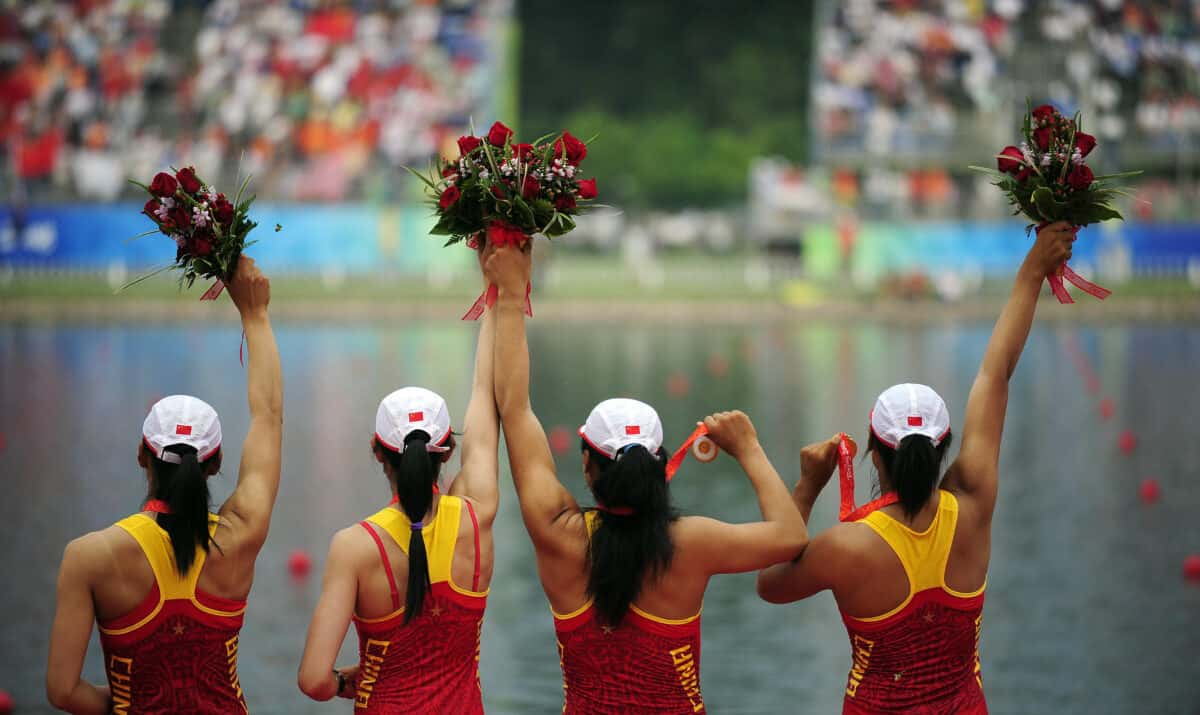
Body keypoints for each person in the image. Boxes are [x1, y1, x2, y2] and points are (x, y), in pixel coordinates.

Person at [756, 222, 1079, 714]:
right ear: (945, 445)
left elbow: (770, 584)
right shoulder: (971, 504)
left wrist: (807, 485)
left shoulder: (845, 545)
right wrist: (1034, 269)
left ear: (871, 448)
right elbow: (996, 372)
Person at [484, 243, 808, 714]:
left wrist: (512, 295)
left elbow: (514, 410)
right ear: (660, 466)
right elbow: (791, 535)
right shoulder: (691, 542)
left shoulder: (558, 533)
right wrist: (748, 448)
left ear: (587, 465)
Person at [45, 257, 282, 714]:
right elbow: (268, 418)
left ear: (142, 455)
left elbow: (63, 691)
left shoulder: (88, 557)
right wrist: (256, 314)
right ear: (215, 465)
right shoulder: (241, 536)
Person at [297, 251, 500, 713]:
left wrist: (345, 683)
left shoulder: (354, 547)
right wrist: (496, 294)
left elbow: (312, 680)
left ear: (376, 451)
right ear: (448, 451)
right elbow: (486, 396)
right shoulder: (476, 515)